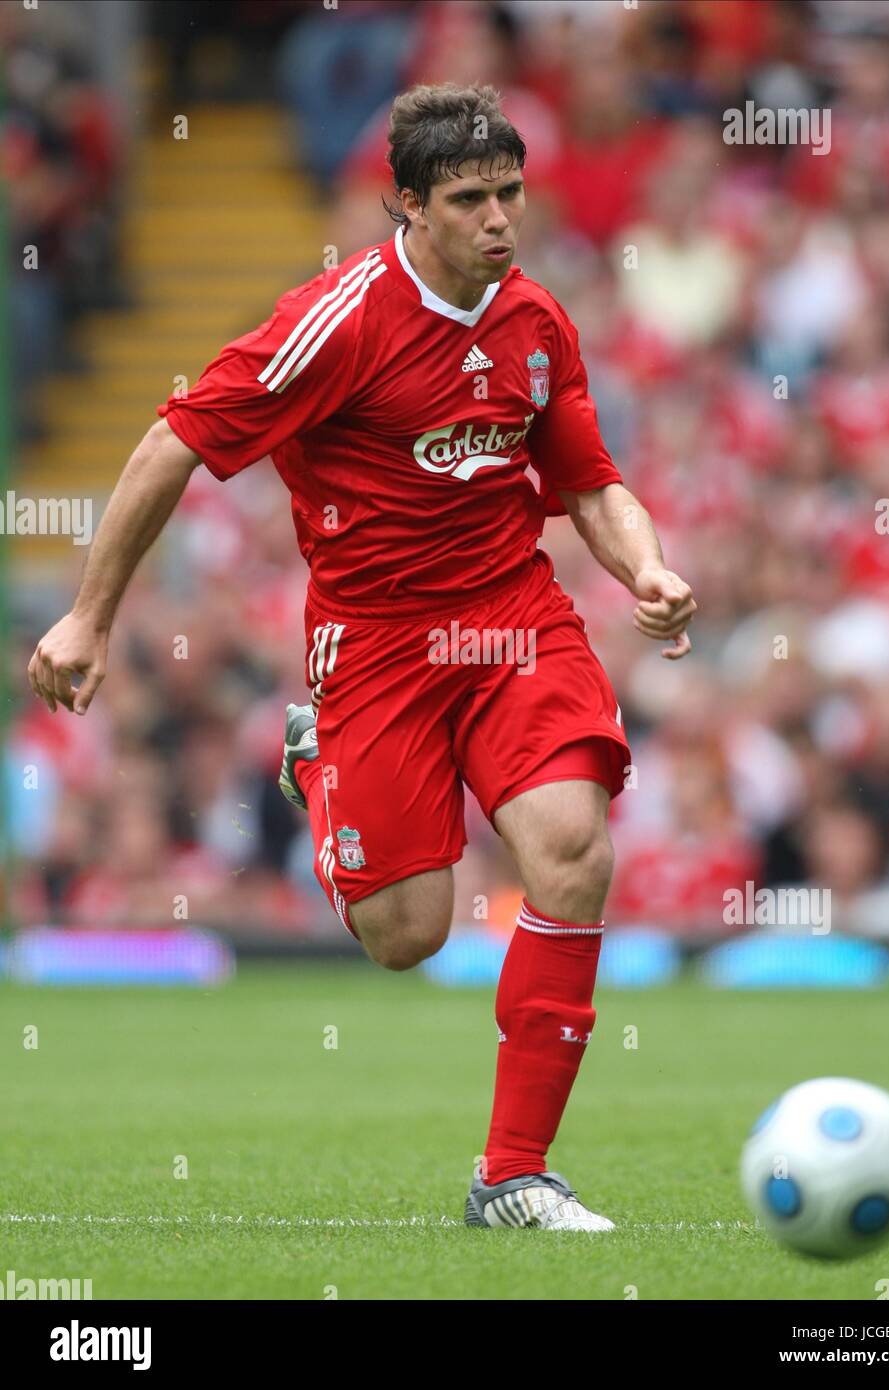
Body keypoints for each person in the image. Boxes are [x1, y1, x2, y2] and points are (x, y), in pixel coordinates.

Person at [27, 83, 696, 1231]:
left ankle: (514, 1175)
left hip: (510, 625)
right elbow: (170, 442)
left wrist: (644, 567)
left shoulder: (535, 323)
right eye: (470, 200)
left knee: (572, 853)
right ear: (408, 207)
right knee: (407, 935)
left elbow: (586, 480)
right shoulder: (334, 322)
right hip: (377, 648)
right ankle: (318, 755)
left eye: (511, 194)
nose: (500, 220)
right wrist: (88, 617)